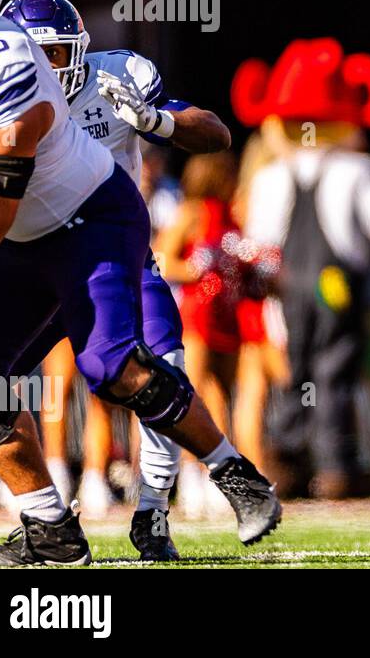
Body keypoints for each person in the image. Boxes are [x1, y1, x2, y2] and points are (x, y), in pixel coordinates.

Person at [0, 0, 279, 567]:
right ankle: (50, 528)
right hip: (21, 236)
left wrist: (156, 122)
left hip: (89, 220)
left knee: (111, 365)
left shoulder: (4, 63)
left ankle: (234, 472)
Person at [238, 38, 370, 499]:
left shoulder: (271, 175)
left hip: (289, 287)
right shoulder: (357, 169)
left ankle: (287, 462)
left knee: (296, 370)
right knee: (336, 369)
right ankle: (335, 466)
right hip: (337, 285)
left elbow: (259, 244)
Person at [153, 151, 245, 520]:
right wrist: (192, 270)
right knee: (197, 395)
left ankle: (220, 475)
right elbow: (160, 258)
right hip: (197, 315)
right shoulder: (191, 212)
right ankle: (195, 478)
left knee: (224, 395)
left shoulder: (231, 213)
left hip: (227, 314)